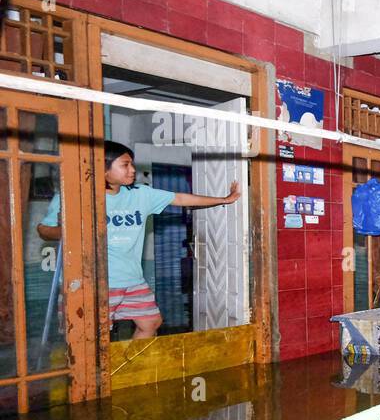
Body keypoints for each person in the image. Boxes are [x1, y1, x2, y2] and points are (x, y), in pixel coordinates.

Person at [37, 141, 240, 339]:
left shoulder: (141, 195)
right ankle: (98, 374)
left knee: (151, 322)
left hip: (132, 279)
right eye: (125, 165)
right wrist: (68, 231)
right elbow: (44, 230)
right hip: (92, 282)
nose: (132, 170)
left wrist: (223, 199)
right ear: (103, 169)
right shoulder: (73, 197)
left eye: (132, 164)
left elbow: (180, 198)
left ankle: (127, 371)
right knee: (92, 338)